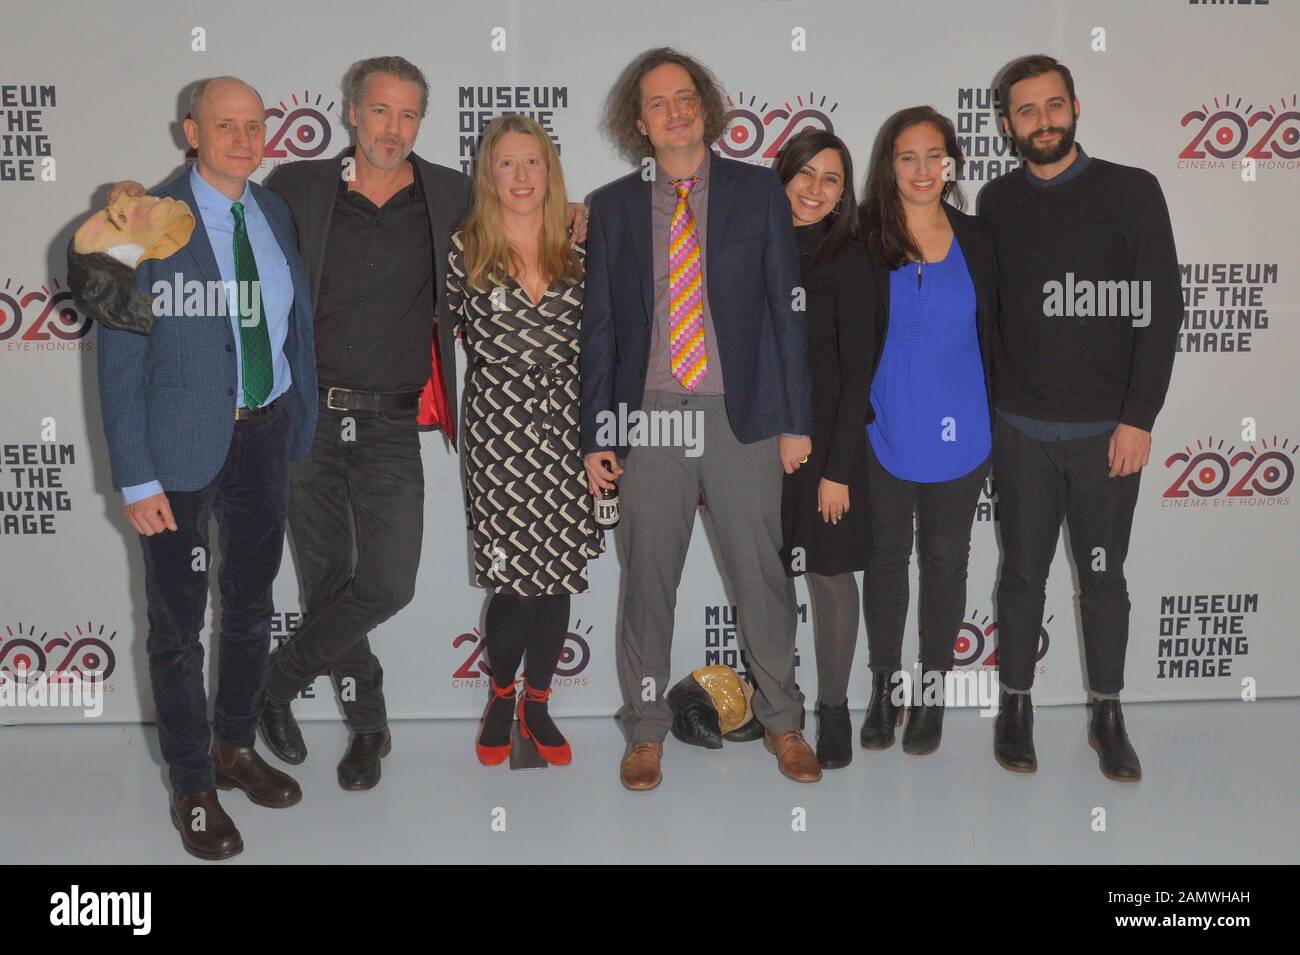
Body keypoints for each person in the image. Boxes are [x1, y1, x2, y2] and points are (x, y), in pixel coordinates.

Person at [582, 48, 818, 789]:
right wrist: (598, 432)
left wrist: (796, 420)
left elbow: (787, 311)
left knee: (762, 579)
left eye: (686, 97)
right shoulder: (615, 205)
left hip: (740, 415)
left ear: (706, 107)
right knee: (647, 579)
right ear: (639, 122)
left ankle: (783, 722)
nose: (675, 111)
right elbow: (602, 330)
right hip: (650, 414)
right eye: (657, 103)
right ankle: (646, 730)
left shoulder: (757, 193)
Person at [95, 76, 318, 860]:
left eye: (254, 125)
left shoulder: (275, 210)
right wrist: (136, 475)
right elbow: (119, 359)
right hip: (180, 452)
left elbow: (291, 327)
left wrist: (299, 416)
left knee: (253, 606)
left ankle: (233, 747)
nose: (243, 139)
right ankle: (192, 785)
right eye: (226, 125)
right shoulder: (143, 220)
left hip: (264, 436)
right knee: (178, 626)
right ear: (191, 130)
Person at [255, 56, 468, 791]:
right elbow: (219, 225)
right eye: (381, 111)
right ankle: (368, 728)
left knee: (385, 581)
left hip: (388, 426)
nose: (394, 128)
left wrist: (578, 213)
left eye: (409, 115)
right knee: (326, 584)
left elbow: (525, 217)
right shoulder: (297, 187)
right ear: (351, 111)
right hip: (306, 415)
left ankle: (272, 684)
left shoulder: (450, 194)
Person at [980, 55, 1181, 781]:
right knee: (1021, 574)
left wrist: (1139, 415)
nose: (1043, 121)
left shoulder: (1132, 192)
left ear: (1076, 108)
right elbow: (989, 314)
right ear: (1007, 124)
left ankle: (1106, 710)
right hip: (1020, 429)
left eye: (1053, 105)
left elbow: (1160, 313)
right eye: (1026, 111)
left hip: (1106, 436)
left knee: (1103, 577)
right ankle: (1016, 704)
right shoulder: (995, 201)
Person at [448, 114, 603, 767]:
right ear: (489, 174)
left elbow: (607, 349)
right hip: (498, 436)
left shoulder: (580, 248)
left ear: (550, 171)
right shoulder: (464, 249)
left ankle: (538, 703)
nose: (520, 175)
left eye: (531, 162)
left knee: (559, 573)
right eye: (506, 163)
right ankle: (501, 697)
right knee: (512, 579)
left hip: (569, 432)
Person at [858, 107, 998, 756]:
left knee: (946, 561)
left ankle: (932, 693)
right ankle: (885, 688)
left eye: (933, 155)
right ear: (889, 166)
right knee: (886, 558)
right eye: (907, 156)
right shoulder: (861, 237)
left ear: (951, 162)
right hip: (883, 429)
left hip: (963, 431)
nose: (921, 168)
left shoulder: (982, 236)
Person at [773, 129, 874, 769]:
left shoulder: (852, 257)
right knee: (767, 581)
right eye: (804, 174)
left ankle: (833, 708)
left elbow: (858, 371)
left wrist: (836, 469)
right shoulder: (754, 247)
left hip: (829, 452)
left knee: (831, 577)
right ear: (781, 176)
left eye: (831, 179)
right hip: (757, 447)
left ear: (844, 192)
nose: (814, 190)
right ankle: (779, 705)